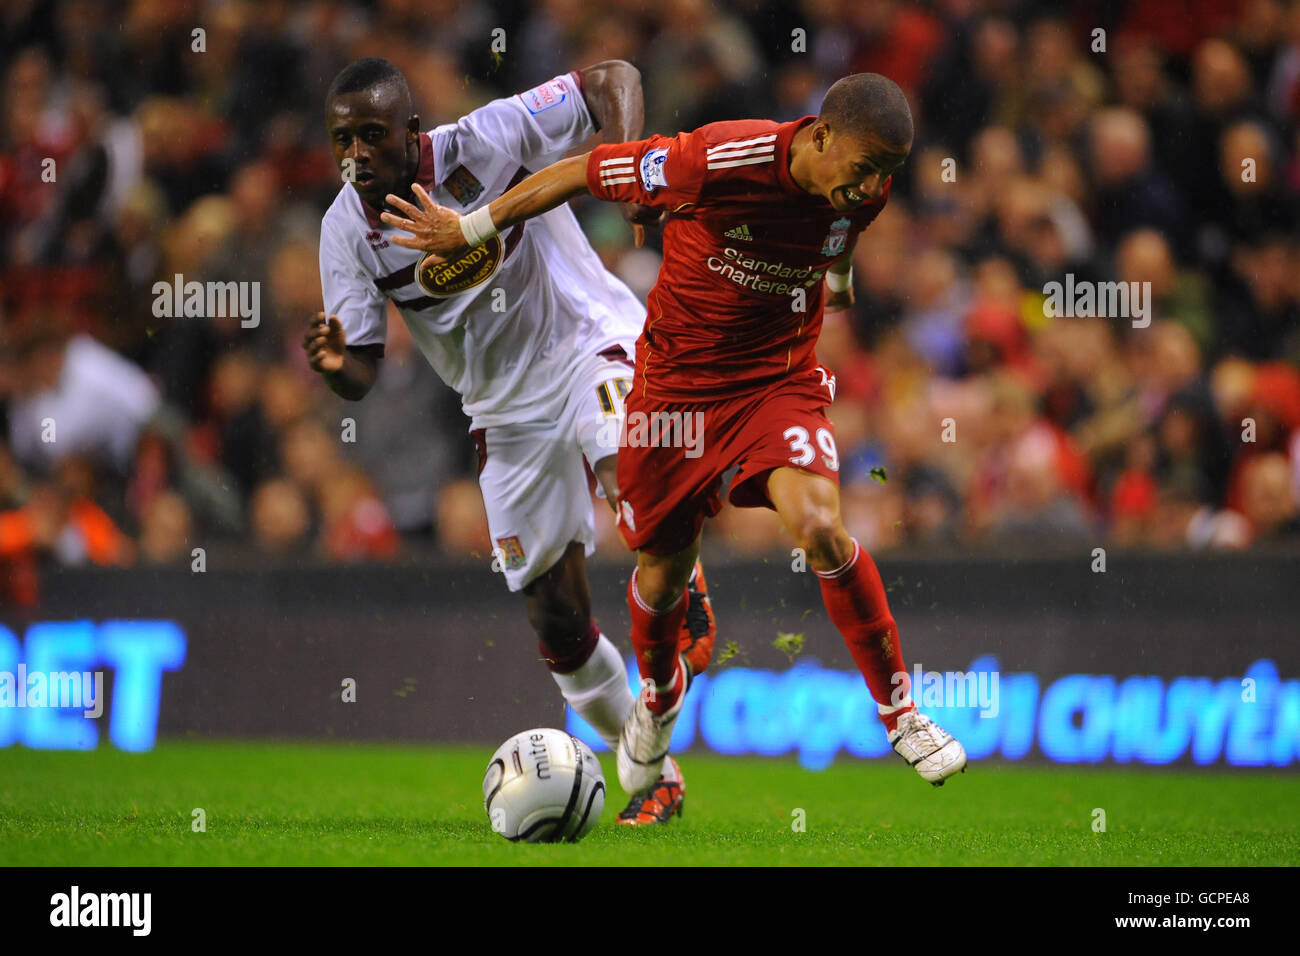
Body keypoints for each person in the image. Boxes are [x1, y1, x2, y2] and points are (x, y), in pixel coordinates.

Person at [381, 72, 967, 790]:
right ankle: (656, 701)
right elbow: (576, 170)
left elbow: (843, 231)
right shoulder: (718, 159)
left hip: (773, 381)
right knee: (661, 578)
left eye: (885, 173)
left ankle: (900, 713)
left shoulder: (863, 189)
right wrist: (469, 227)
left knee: (820, 526)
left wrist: (838, 281)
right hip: (675, 391)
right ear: (819, 135)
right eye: (864, 165)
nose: (872, 183)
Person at [305, 57, 715, 825]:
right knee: (556, 622)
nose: (355, 154)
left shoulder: (487, 138)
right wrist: (337, 367)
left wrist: (625, 168)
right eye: (341, 140)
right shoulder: (342, 232)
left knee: (626, 467)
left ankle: (684, 590)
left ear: (412, 134)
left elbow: (615, 78)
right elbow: (361, 365)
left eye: (371, 135)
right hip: (501, 409)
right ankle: (653, 772)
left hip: (590, 341)